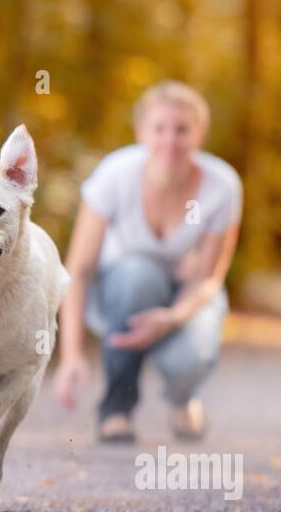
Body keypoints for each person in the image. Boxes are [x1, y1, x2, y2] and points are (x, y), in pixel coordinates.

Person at [52, 81, 243, 442]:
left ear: (199, 134)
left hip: (186, 295)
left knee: (190, 358)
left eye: (182, 130)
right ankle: (117, 408)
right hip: (120, 292)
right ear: (142, 132)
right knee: (138, 274)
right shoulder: (115, 174)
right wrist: (71, 355)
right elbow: (76, 270)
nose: (170, 141)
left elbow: (207, 278)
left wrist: (173, 318)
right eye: (159, 129)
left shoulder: (223, 186)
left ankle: (182, 397)